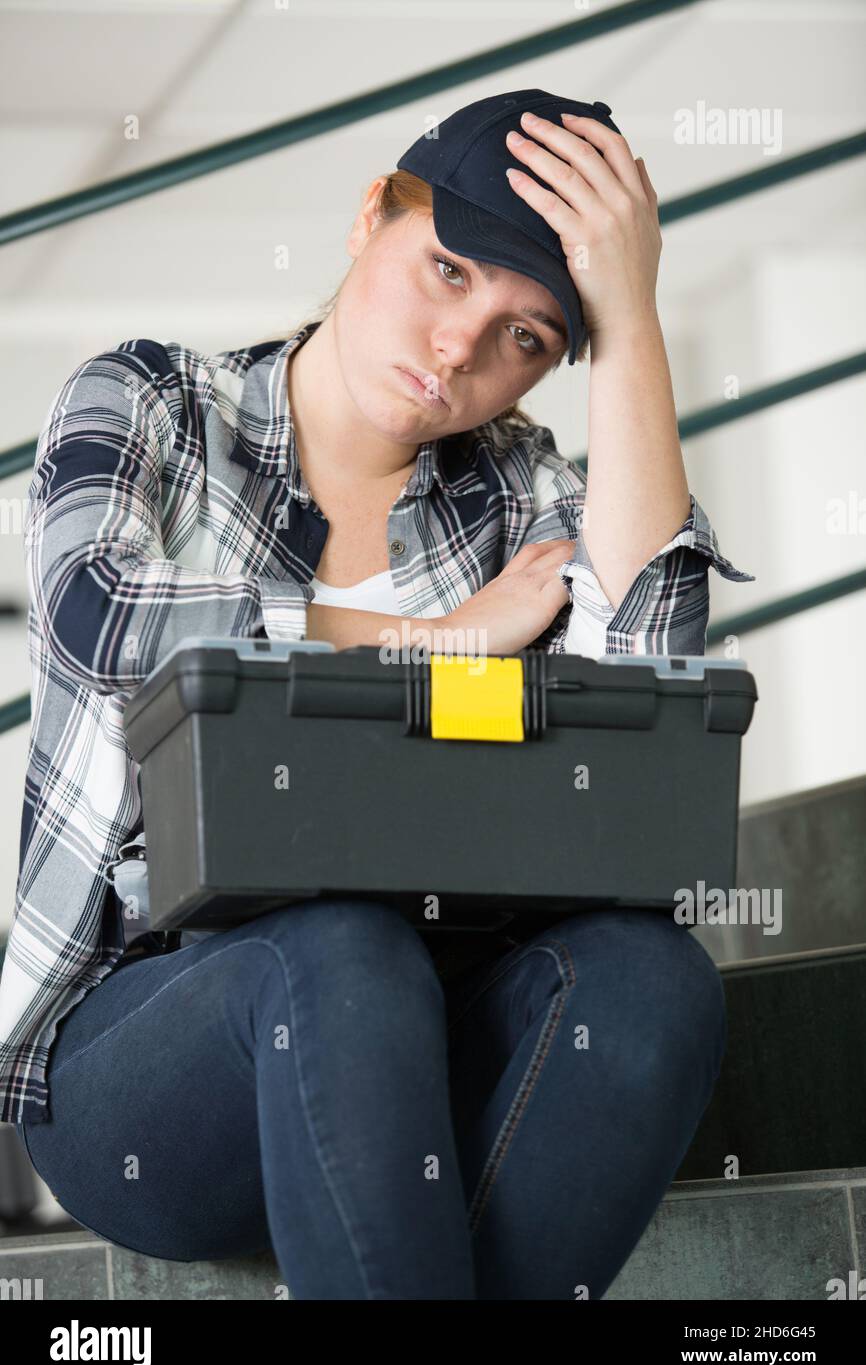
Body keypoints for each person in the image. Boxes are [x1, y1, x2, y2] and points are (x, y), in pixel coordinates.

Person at [1, 89, 754, 1298]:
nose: (462, 348)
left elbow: (646, 709)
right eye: (447, 270)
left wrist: (631, 314)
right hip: (139, 1053)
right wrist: (435, 640)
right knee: (338, 953)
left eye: (531, 336)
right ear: (368, 218)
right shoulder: (151, 401)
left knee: (650, 975)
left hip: (423, 1047)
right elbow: (107, 619)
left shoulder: (529, 499)